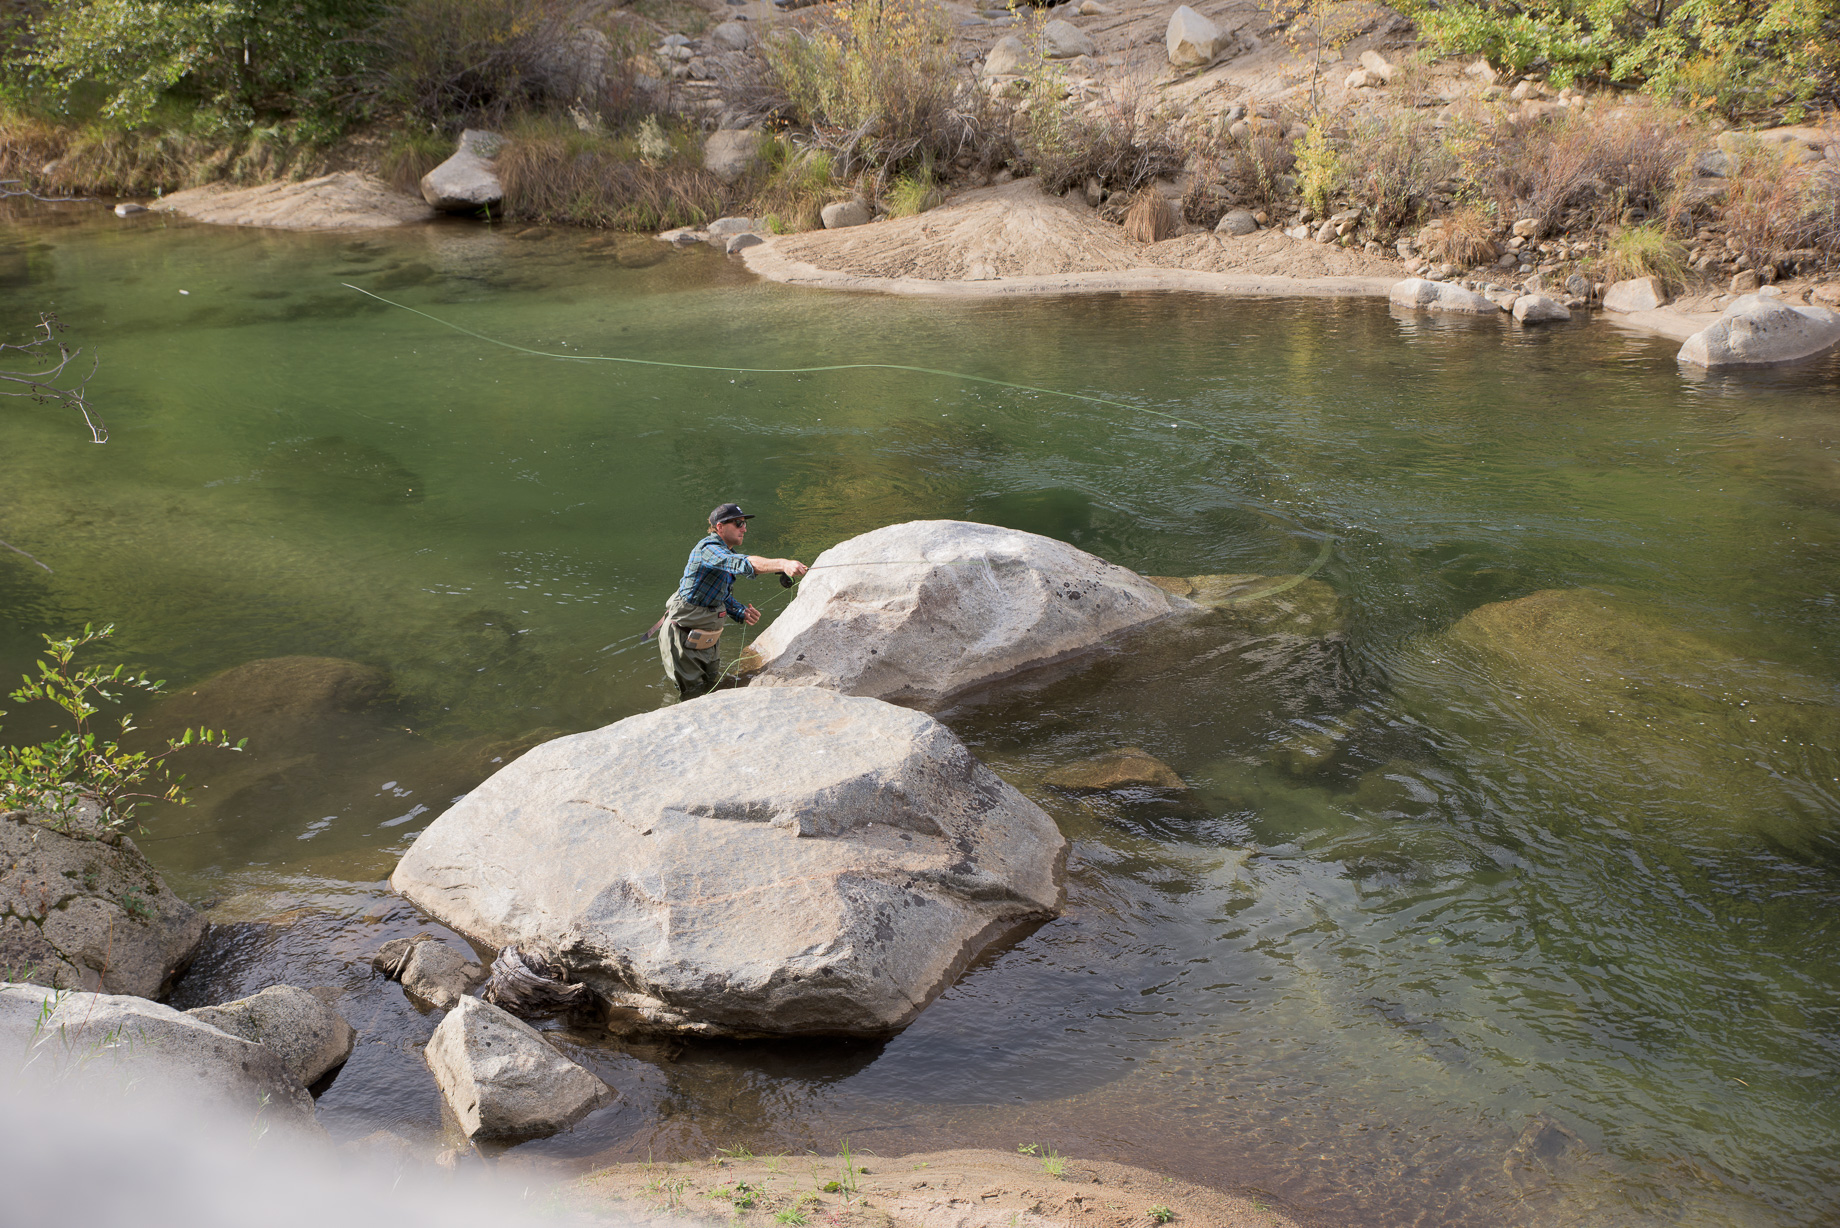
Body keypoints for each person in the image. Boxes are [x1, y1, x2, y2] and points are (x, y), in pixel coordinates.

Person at [658, 503, 808, 700]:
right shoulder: (708, 549)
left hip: (706, 638)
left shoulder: (725, 553)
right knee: (692, 695)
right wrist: (782, 564)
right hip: (683, 638)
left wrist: (740, 611)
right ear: (719, 527)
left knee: (712, 687)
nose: (744, 528)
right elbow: (741, 564)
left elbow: (719, 594)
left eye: (744, 523)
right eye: (738, 523)